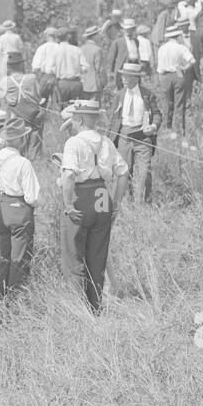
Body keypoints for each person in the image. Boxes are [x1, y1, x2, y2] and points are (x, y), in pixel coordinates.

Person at [59, 101, 127, 311]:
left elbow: (69, 174)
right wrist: (115, 202)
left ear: (79, 119)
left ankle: (77, 309)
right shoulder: (107, 141)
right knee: (98, 255)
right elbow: (123, 173)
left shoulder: (74, 142)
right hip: (102, 194)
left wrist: (68, 203)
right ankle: (94, 306)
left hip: (82, 194)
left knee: (73, 255)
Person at [0, 120, 40, 299]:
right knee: (20, 259)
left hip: (0, 208)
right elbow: (33, 197)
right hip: (18, 210)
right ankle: (14, 301)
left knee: (4, 257)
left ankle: (0, 297)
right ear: (22, 140)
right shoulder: (23, 163)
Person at [110, 63, 159, 203]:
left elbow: (157, 114)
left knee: (144, 172)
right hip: (124, 135)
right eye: (123, 76)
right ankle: (125, 203)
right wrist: (108, 140)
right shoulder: (120, 95)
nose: (123, 79)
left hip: (143, 135)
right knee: (124, 170)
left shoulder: (147, 94)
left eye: (127, 76)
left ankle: (143, 204)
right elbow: (113, 119)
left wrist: (153, 127)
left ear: (136, 78)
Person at [155, 24, 195, 138]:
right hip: (177, 74)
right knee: (179, 104)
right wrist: (183, 68)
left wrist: (160, 79)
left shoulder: (162, 48)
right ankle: (179, 130)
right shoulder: (180, 47)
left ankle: (167, 128)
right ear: (177, 35)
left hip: (164, 76)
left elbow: (159, 68)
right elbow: (192, 61)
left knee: (167, 103)